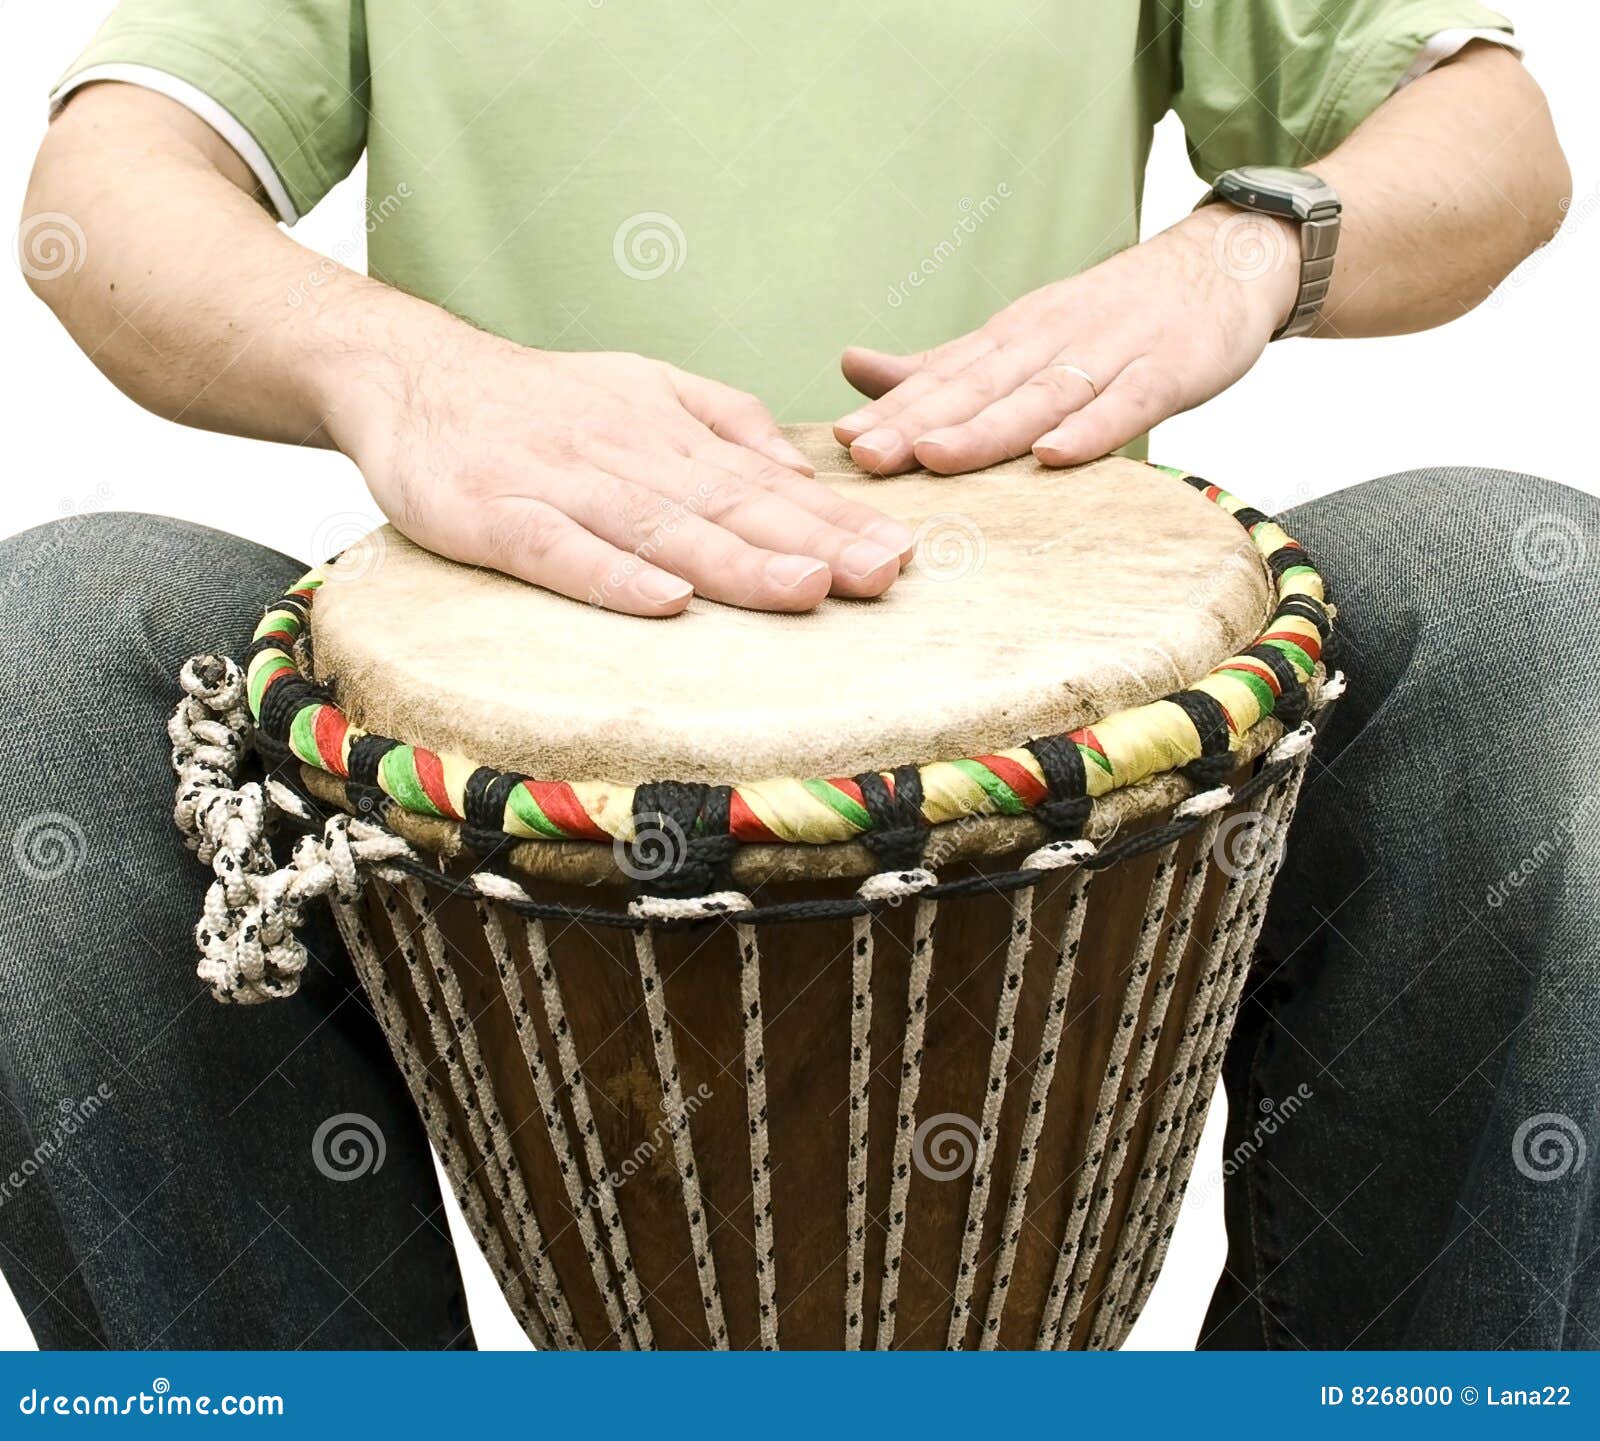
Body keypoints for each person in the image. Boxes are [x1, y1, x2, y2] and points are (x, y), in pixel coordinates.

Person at [6, 0, 1594, 1350]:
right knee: (44, 649)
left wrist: (1243, 248)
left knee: (1531, 602)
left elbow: (1494, 135)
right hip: (453, 836)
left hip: (1092, 812)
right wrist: (403, 375)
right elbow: (109, 179)